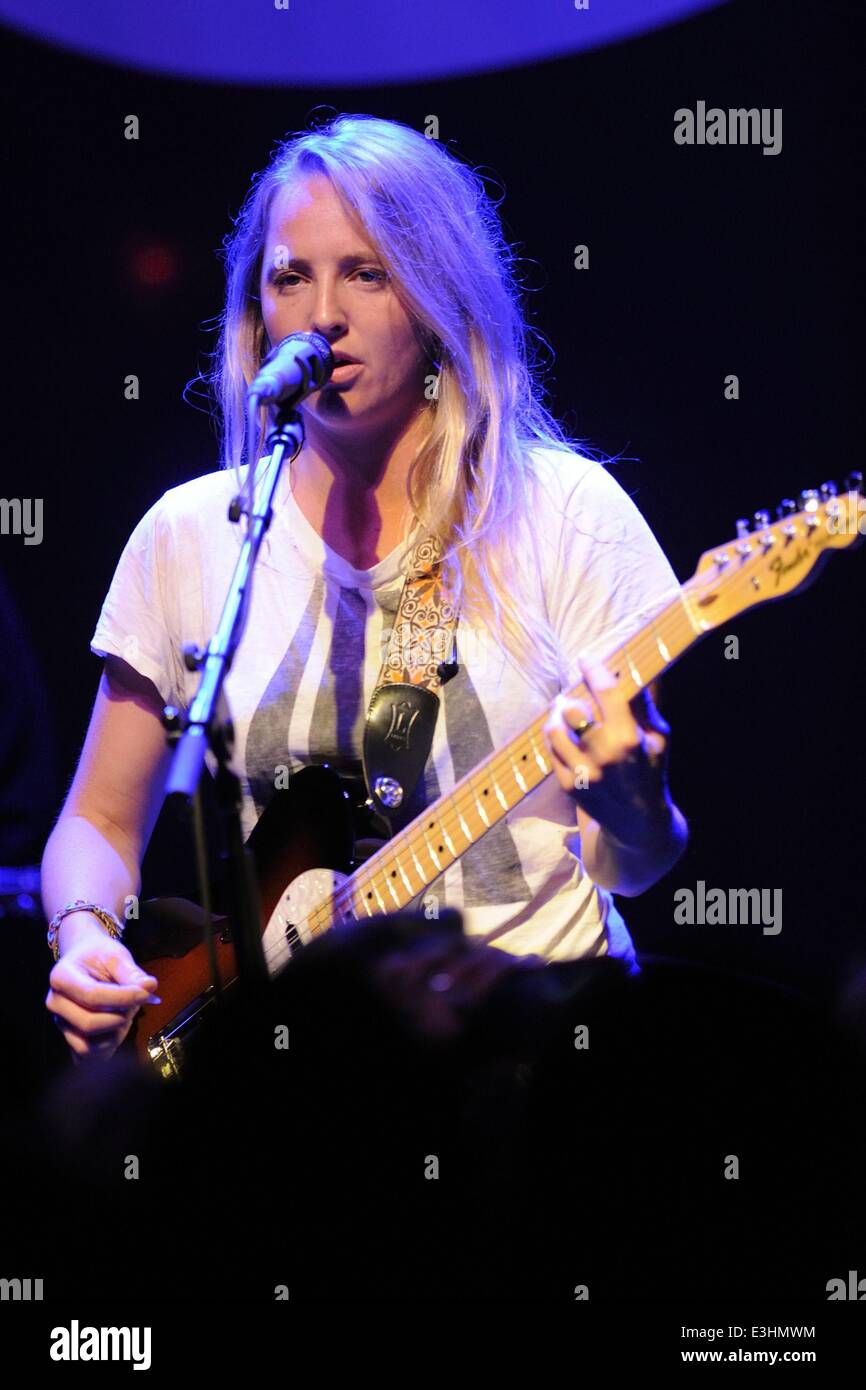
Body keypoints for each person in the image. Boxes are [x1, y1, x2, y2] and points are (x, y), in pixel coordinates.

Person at [41, 113, 687, 1064]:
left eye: (366, 272)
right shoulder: (192, 535)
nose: (321, 313)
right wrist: (86, 934)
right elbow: (98, 820)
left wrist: (634, 797)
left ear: (434, 300)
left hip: (540, 1054)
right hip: (302, 1075)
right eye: (290, 277)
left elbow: (637, 864)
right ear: (257, 313)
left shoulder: (568, 514)